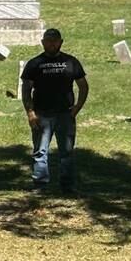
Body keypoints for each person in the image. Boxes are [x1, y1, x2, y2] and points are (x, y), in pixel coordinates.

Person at [20, 28, 88, 194]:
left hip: (65, 114)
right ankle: (40, 185)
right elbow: (26, 89)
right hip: (42, 114)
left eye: (55, 40)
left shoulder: (71, 62)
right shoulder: (34, 63)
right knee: (40, 152)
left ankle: (67, 186)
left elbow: (83, 86)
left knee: (67, 152)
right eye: (48, 40)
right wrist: (30, 112)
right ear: (42, 42)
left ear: (61, 42)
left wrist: (77, 108)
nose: (51, 44)